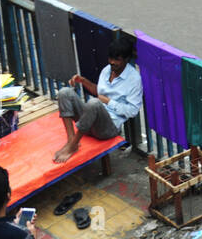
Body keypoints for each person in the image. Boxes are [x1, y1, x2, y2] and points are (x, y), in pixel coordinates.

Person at [53, 32, 142, 163]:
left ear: (126, 59)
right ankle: (72, 140)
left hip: (107, 129)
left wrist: (109, 102)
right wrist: (83, 81)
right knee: (64, 92)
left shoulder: (134, 79)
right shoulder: (107, 70)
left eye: (117, 60)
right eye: (111, 58)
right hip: (89, 122)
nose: (112, 62)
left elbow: (133, 111)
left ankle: (72, 146)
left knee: (93, 103)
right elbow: (99, 93)